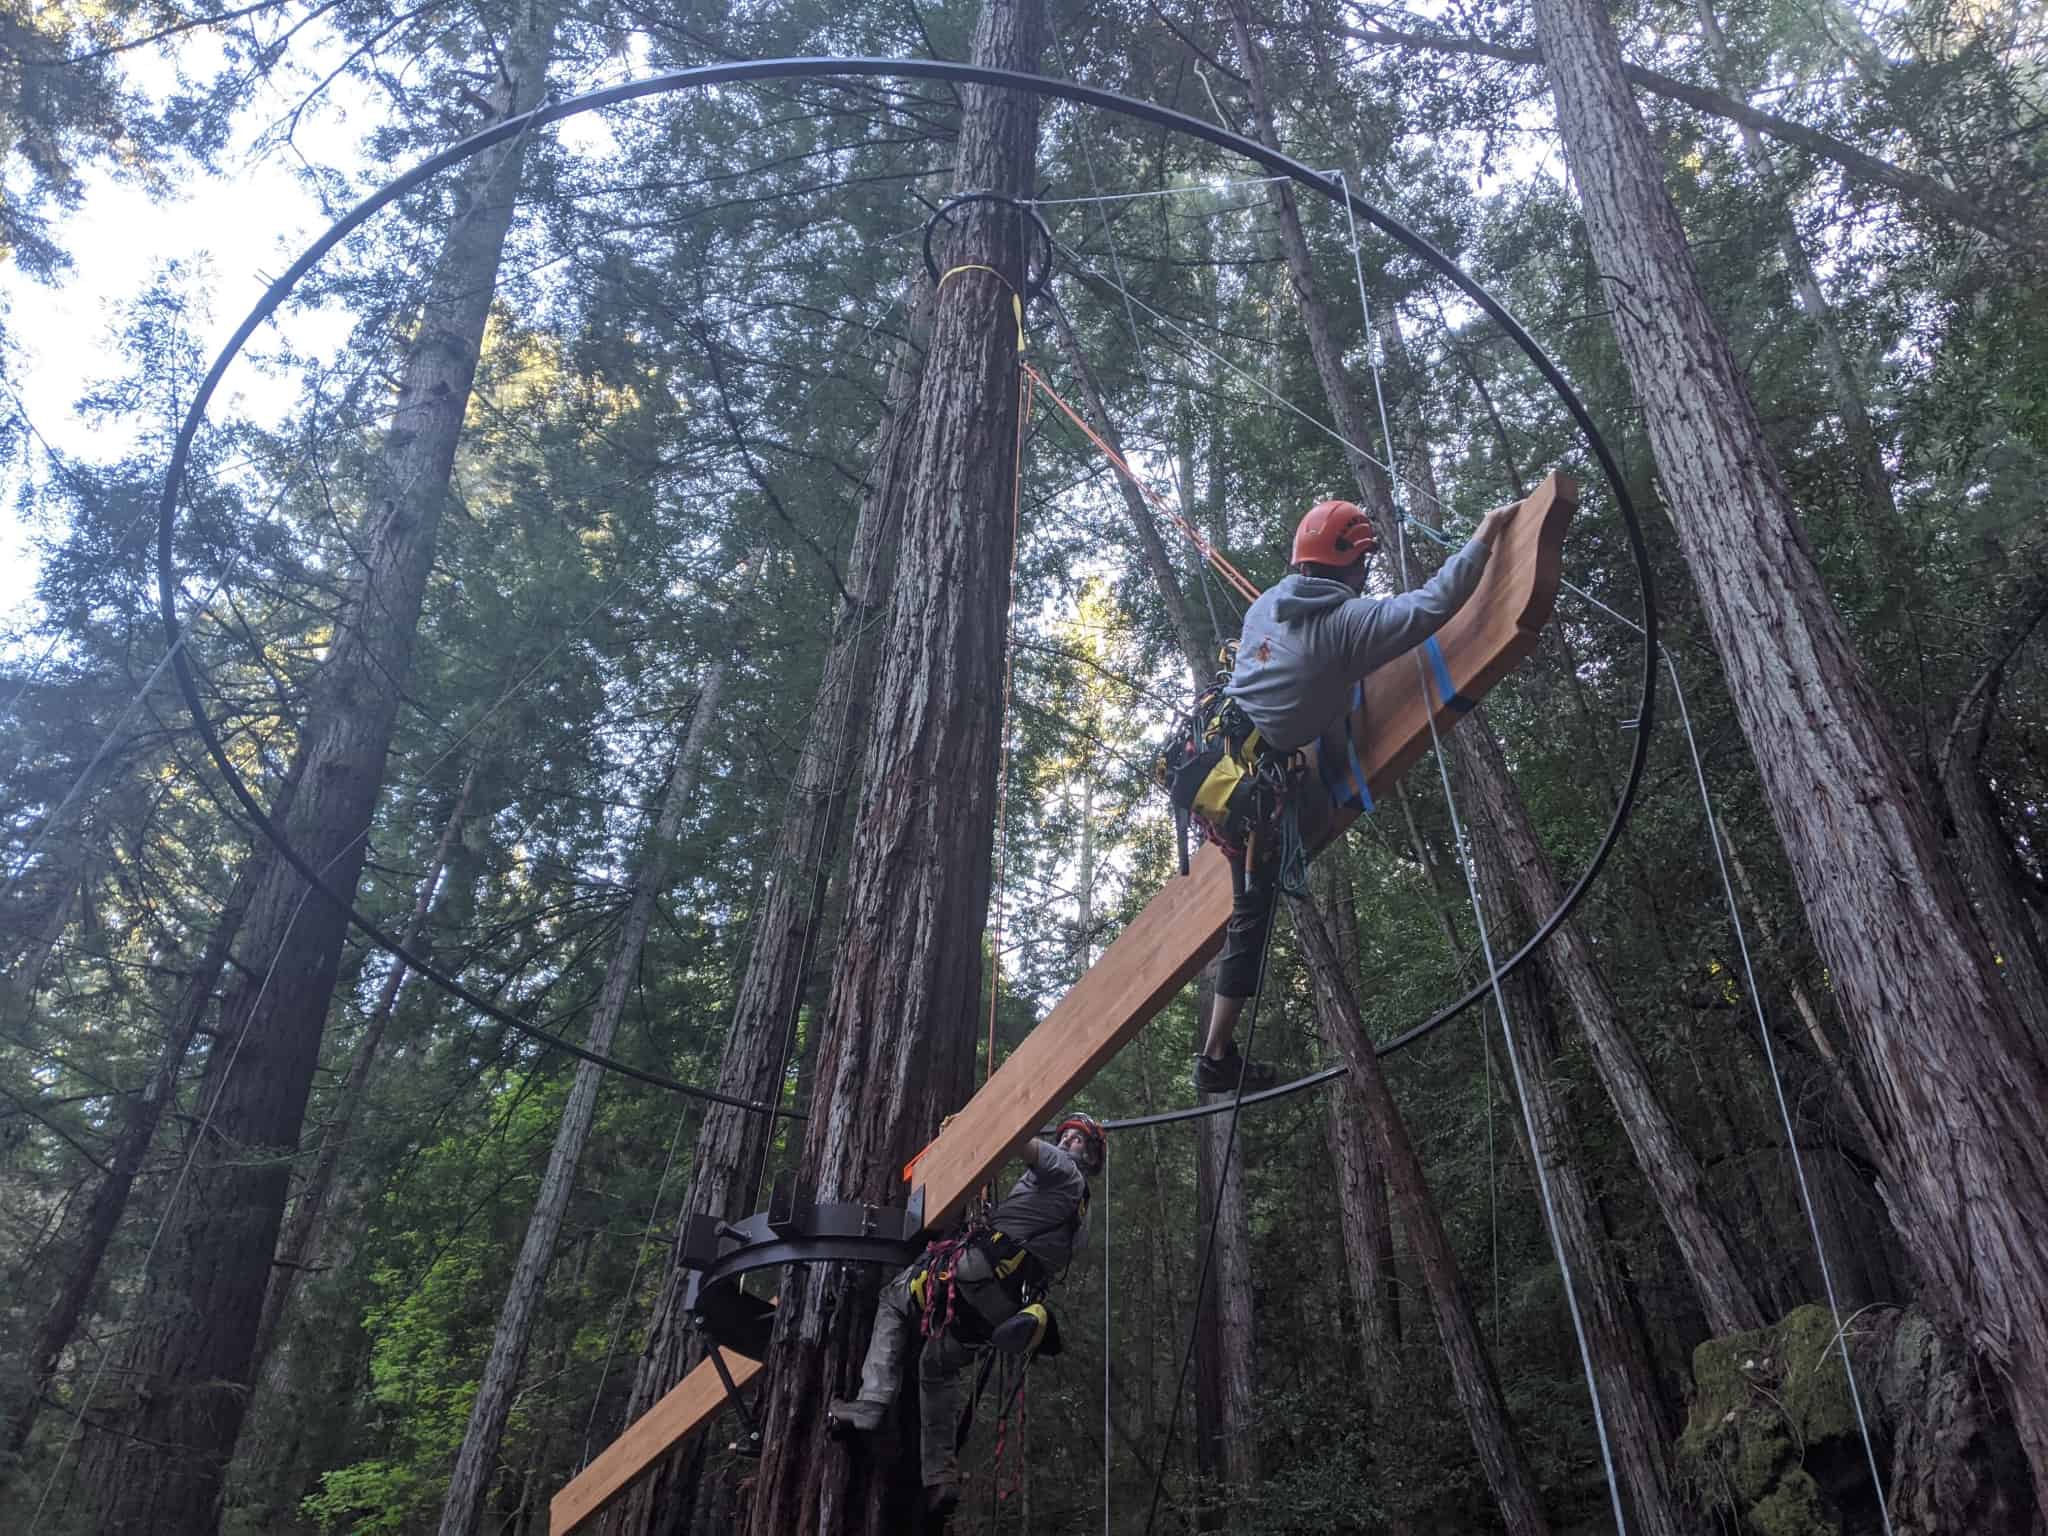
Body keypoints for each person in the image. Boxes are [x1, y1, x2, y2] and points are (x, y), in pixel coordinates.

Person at [1192, 496, 1522, 1095]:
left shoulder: (1268, 601)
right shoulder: (1347, 625)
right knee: (1251, 915)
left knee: (1249, 910)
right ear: (1353, 565)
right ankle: (1214, 1054)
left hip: (1214, 754)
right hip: (1251, 790)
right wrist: (1485, 534)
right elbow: (1433, 607)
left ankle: (1218, 1052)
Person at [827, 1112, 1108, 1520]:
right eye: (1064, 1136)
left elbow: (1017, 1140)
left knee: (892, 1299)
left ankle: (871, 1402)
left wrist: (973, 1122)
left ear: (1091, 1155)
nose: (1066, 1143)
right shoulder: (1081, 1217)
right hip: (1002, 1308)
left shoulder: (1061, 1170)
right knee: (936, 1367)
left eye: (1077, 1140)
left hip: (978, 1270)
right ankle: (940, 1476)